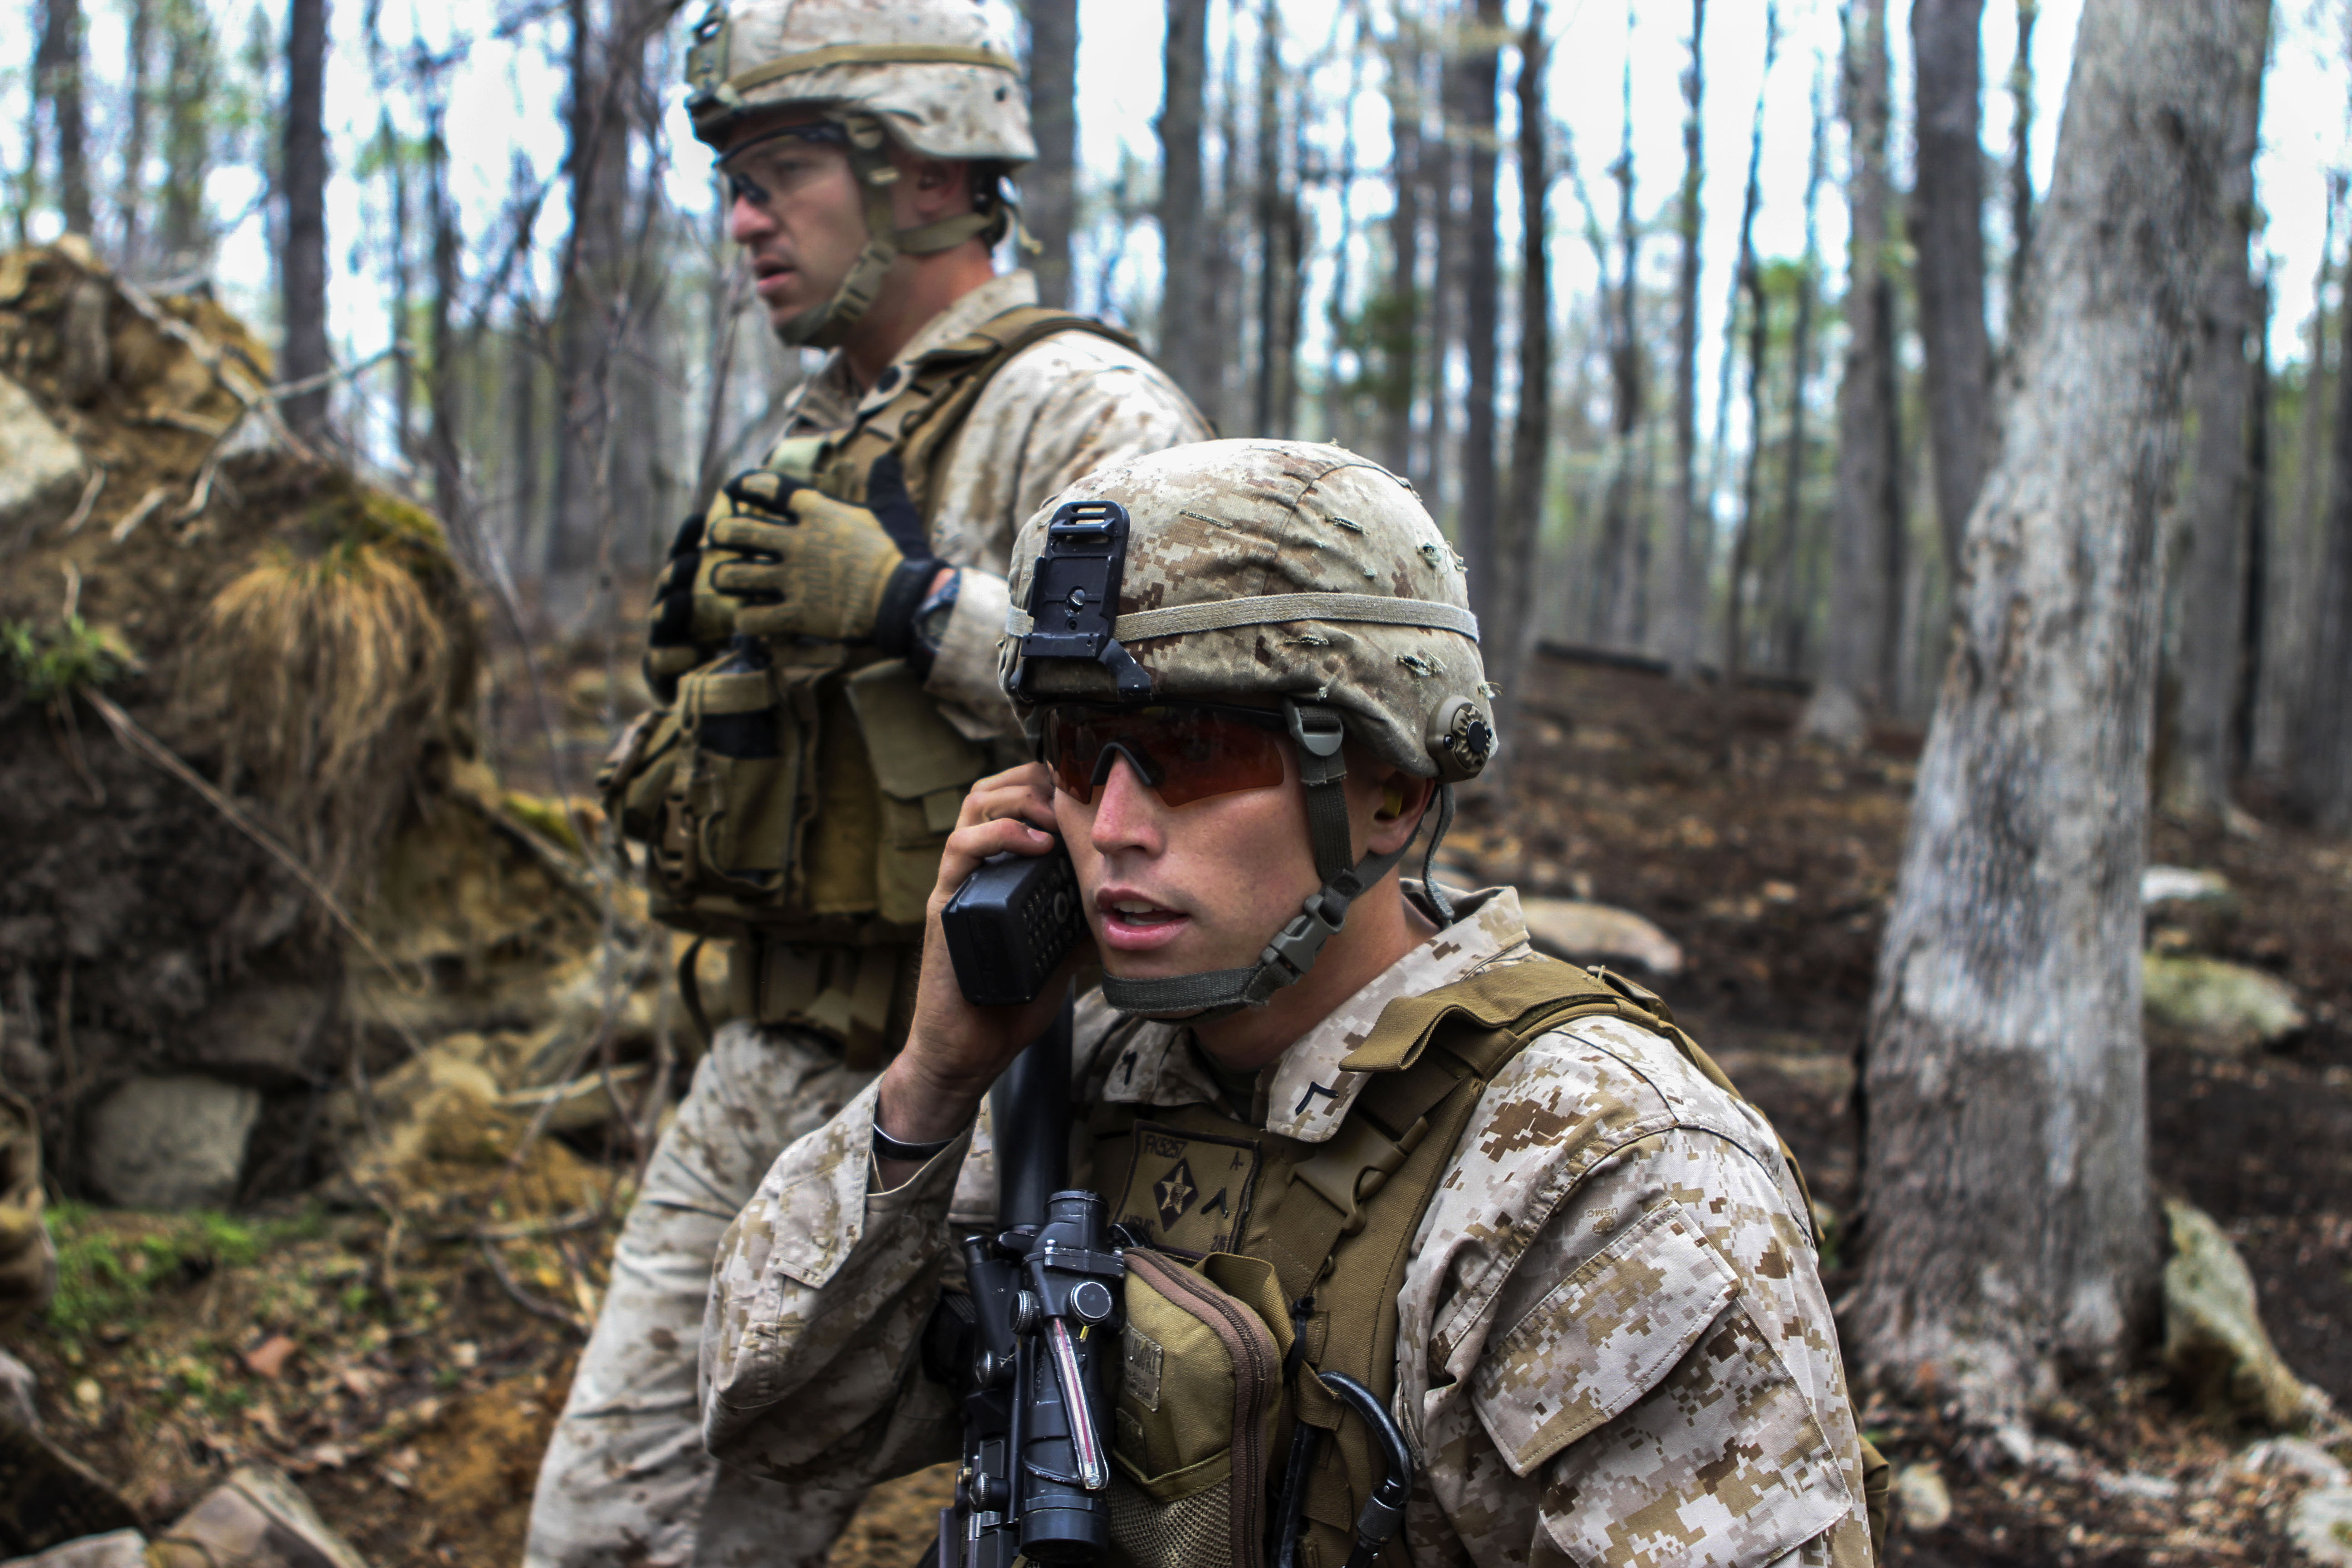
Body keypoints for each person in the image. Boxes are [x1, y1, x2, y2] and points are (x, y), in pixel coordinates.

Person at [700, 439, 1882, 1568]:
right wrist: (933, 1083)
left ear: (1394, 788)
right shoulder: (1097, 1063)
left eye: (1195, 750)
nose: (1111, 828)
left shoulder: (1598, 1177)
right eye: (1076, 751)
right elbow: (779, 1427)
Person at [528, 0, 1210, 1561]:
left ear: (916, 173)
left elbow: (1190, 721)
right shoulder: (817, 425)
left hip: (1013, 1084)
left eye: (780, 171)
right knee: (610, 1531)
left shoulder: (1087, 410)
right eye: (734, 182)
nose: (744, 219)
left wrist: (917, 609)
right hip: (776, 1060)